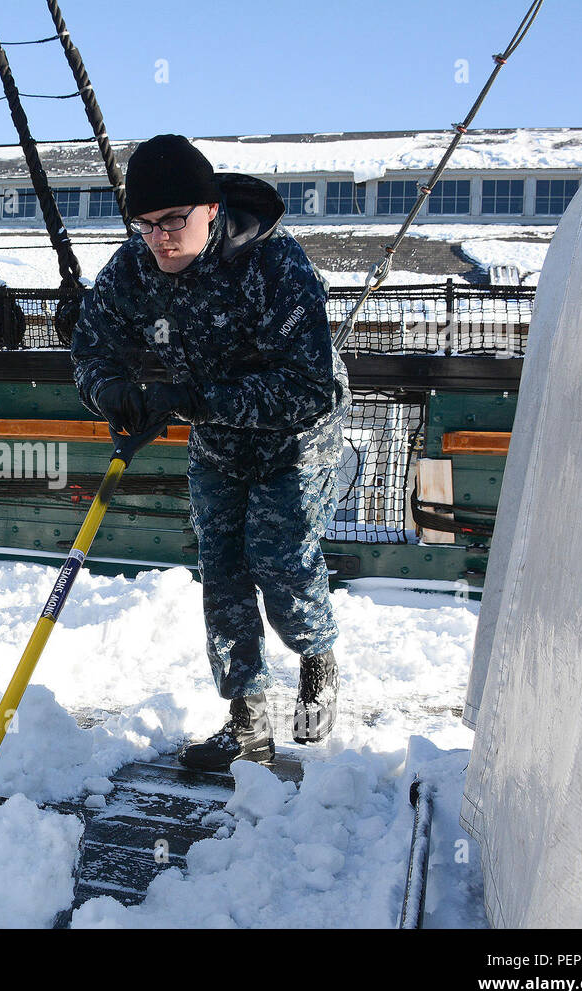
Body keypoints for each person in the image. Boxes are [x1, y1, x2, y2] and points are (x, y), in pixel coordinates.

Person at [70, 134, 351, 769]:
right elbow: (90, 346)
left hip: (296, 443)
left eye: (174, 221)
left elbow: (306, 390)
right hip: (219, 448)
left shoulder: (277, 268)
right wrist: (112, 393)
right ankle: (247, 724)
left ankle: (318, 652)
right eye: (144, 225)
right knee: (222, 580)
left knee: (282, 571)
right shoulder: (137, 267)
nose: (159, 239)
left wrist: (190, 398)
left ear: (211, 210)